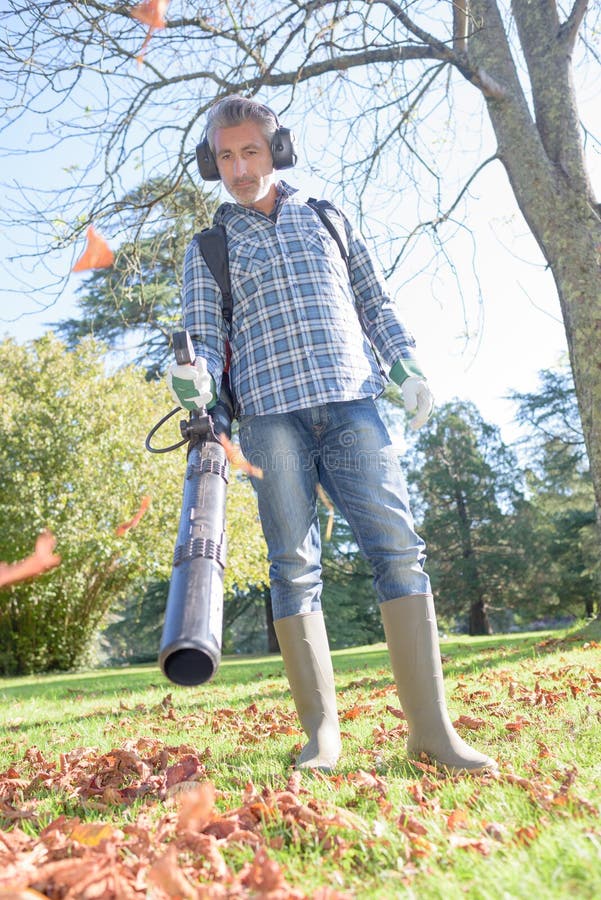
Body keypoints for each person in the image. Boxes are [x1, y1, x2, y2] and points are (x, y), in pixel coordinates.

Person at [167, 95, 497, 775]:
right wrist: (192, 378)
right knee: (293, 567)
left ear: (276, 149)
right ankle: (322, 736)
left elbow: (373, 300)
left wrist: (404, 364)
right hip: (268, 416)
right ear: (211, 163)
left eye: (250, 151)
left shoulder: (326, 217)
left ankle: (431, 733)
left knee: (398, 552)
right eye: (224, 156)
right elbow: (201, 334)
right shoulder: (209, 248)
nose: (238, 167)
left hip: (353, 403)